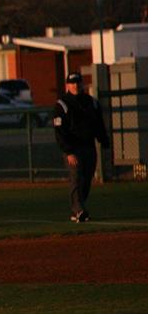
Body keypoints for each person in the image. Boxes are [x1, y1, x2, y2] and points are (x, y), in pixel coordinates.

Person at [53, 71, 109, 222]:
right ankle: (79, 210)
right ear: (67, 85)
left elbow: (98, 125)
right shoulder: (62, 104)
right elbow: (59, 131)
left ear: (82, 84)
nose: (75, 85)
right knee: (76, 177)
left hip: (89, 147)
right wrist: (68, 151)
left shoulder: (91, 102)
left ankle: (77, 209)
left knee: (86, 179)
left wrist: (104, 141)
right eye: (72, 83)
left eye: (78, 82)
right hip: (73, 149)